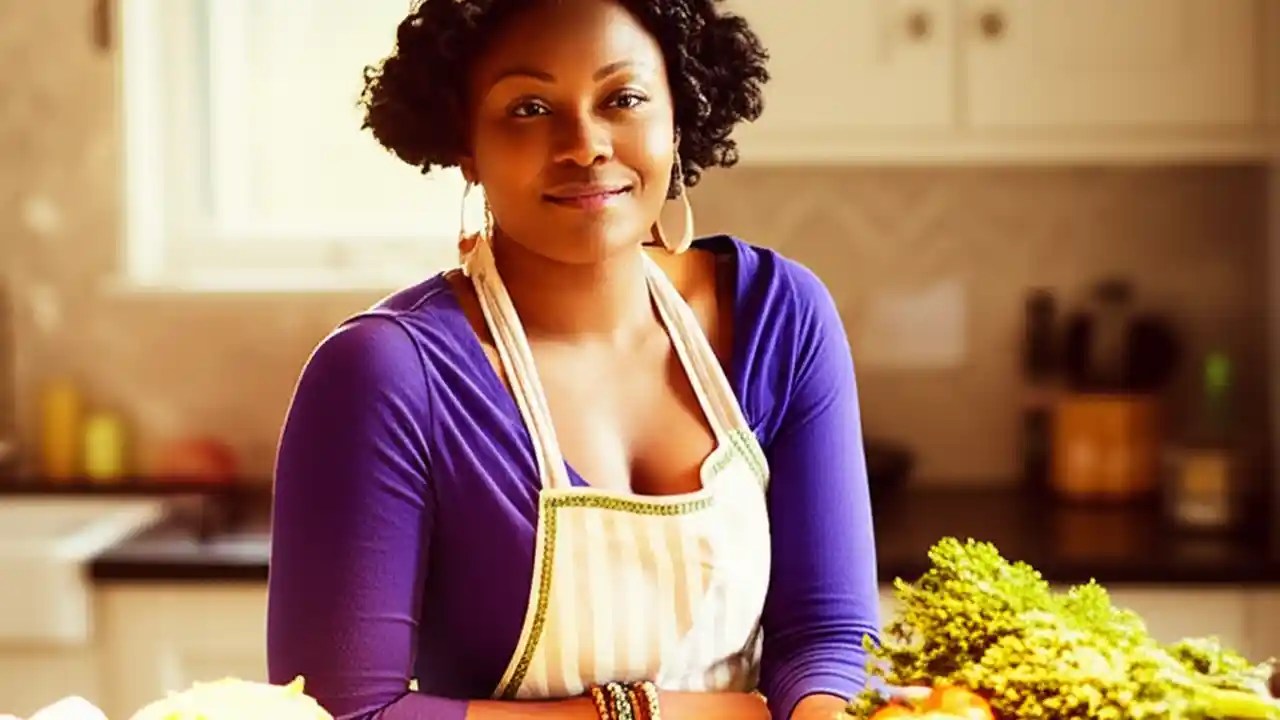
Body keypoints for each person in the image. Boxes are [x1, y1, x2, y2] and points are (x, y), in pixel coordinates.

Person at [266, 1, 880, 718]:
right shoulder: (383, 375)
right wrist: (681, 713)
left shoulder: (780, 317)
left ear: (677, 114)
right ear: (467, 144)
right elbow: (336, 713)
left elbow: (828, 635)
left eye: (623, 98)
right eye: (528, 108)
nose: (585, 144)